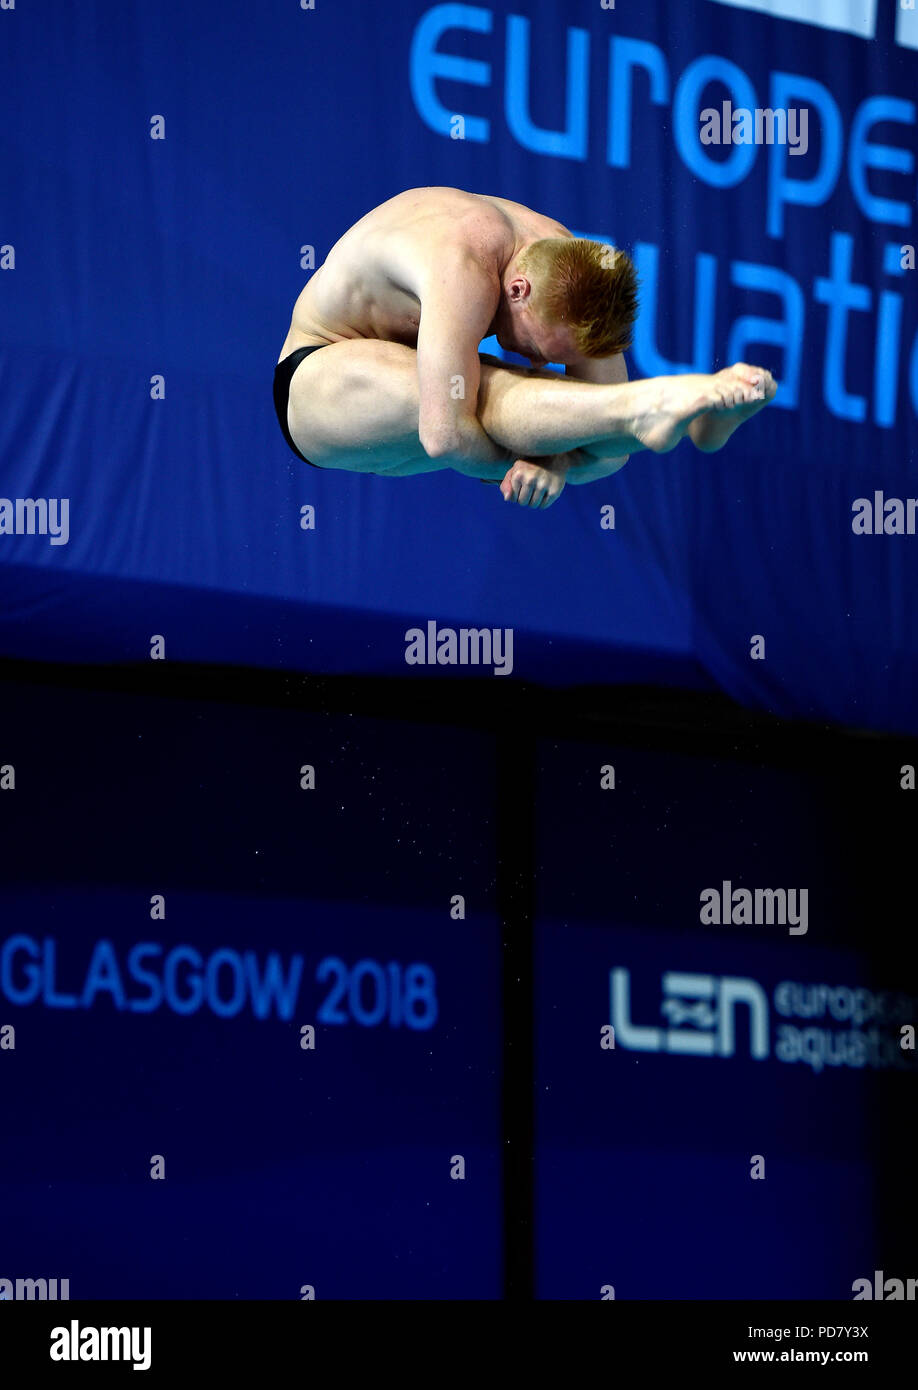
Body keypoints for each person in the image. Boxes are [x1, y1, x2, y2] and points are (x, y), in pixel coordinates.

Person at [274, 187, 776, 509]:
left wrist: (555, 459)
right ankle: (661, 402)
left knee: (583, 413)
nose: (539, 361)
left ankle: (693, 422)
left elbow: (607, 454)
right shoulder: (461, 261)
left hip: (411, 406)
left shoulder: (571, 270)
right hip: (319, 380)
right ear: (518, 290)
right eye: (540, 345)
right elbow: (444, 436)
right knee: (493, 395)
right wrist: (537, 459)